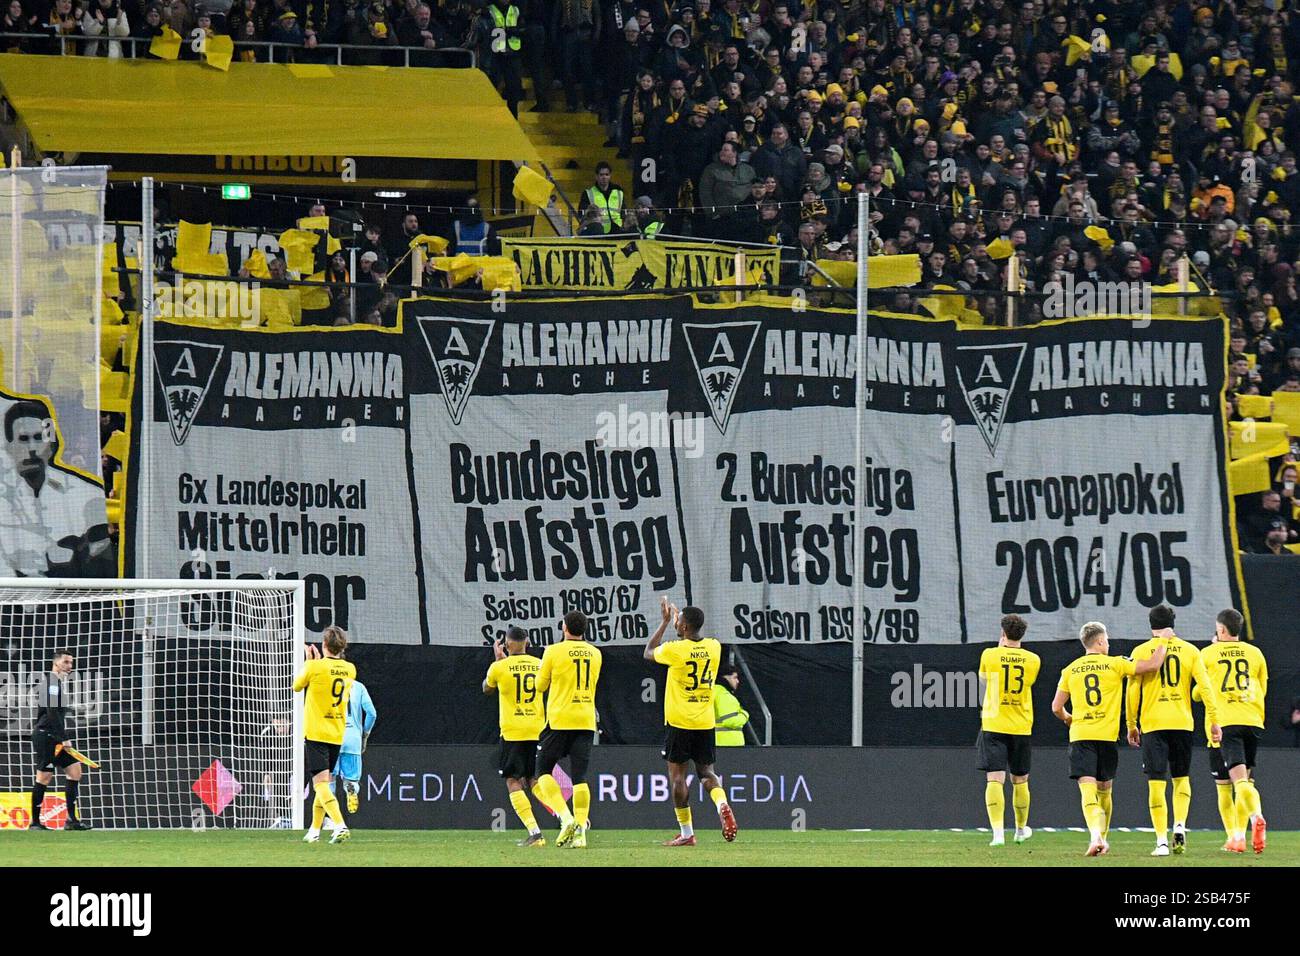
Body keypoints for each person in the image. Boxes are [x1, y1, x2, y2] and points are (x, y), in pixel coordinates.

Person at [1052, 621, 1165, 857]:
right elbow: (1153, 665)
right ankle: (1102, 837)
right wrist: (1164, 639)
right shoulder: (1116, 664)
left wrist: (1068, 718)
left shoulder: (1070, 669)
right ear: (1101, 641)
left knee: (1087, 791)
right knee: (1105, 791)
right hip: (1106, 737)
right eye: (1107, 640)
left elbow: (1056, 707)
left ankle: (1095, 836)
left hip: (1082, 736)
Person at [1124, 604, 1217, 857]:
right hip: (1183, 723)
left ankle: (1162, 842)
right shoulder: (1190, 651)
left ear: (1150, 623)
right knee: (1181, 778)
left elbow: (1132, 692)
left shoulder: (1142, 650)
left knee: (1156, 782)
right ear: (1173, 623)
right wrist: (1214, 720)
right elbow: (1206, 687)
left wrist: (1131, 724)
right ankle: (1180, 825)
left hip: (1154, 724)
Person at [645, 596, 738, 846]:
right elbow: (694, 640)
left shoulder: (676, 650)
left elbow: (649, 652)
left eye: (679, 622)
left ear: (684, 627)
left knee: (677, 778)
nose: (677, 624)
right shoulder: (714, 647)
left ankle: (687, 833)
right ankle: (722, 805)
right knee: (707, 772)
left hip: (679, 722)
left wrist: (664, 622)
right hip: (705, 722)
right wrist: (678, 623)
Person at [1, 399, 112, 578]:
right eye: (23, 439)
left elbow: (100, 558)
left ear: (51, 445)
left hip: (71, 598)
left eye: (39, 438)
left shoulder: (86, 493)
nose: (31, 448)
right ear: (9, 447)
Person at [1200, 608, 1268, 854]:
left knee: (1227, 785)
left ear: (1220, 630)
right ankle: (1237, 837)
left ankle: (1254, 818)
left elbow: (1199, 692)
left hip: (1224, 724)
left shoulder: (1207, 654)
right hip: (1252, 720)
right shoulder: (1256, 653)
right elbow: (1262, 688)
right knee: (1245, 780)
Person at [533, 610, 601, 848]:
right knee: (580, 777)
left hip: (559, 719)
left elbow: (540, 686)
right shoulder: (596, 653)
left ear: (564, 627)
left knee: (542, 771)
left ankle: (566, 818)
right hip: (585, 719)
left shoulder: (552, 651)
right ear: (585, 629)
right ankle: (581, 833)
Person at [976, 613, 1039, 847]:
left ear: (1003, 633)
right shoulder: (1033, 659)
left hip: (994, 723)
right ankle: (1021, 830)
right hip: (1021, 725)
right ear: (1022, 635)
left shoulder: (989, 655)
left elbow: (984, 680)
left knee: (994, 778)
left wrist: (1000, 648)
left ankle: (997, 835)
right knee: (1020, 780)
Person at [483, 625, 546, 847]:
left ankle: (535, 832)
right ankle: (566, 819)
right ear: (527, 643)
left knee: (512, 780)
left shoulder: (499, 667)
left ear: (507, 644)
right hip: (538, 729)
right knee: (535, 779)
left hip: (512, 732)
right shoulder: (540, 665)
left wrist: (500, 661)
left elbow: (487, 688)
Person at [294, 626, 356, 845]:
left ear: (324, 645)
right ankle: (314, 830)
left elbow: (297, 685)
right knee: (325, 782)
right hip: (337, 732)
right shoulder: (350, 669)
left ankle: (339, 825)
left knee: (320, 784)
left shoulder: (314, 667)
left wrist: (310, 662)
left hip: (317, 731)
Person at [29, 649, 93, 831]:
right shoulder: (51, 683)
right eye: (66, 662)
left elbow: (56, 712)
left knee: (75, 771)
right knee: (44, 777)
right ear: (56, 663)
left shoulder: (56, 684)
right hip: (46, 736)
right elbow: (51, 712)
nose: (70, 666)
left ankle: (71, 820)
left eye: (71, 663)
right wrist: (64, 738)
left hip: (54, 736)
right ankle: (35, 822)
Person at [331, 675, 376, 817]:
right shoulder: (358, 686)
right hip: (352, 739)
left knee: (328, 780)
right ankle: (351, 788)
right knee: (351, 779)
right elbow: (372, 713)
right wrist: (365, 734)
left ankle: (331, 818)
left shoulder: (327, 683)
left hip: (331, 736)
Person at [578, 161, 626, 234]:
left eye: (607, 174)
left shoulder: (619, 193)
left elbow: (624, 213)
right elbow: (582, 215)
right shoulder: (588, 193)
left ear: (610, 176)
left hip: (617, 231)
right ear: (596, 176)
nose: (604, 177)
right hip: (597, 231)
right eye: (601, 175)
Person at [713, 663, 748, 747]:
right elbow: (730, 720)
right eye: (735, 677)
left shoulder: (716, 692)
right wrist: (744, 714)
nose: (737, 681)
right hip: (728, 744)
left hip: (721, 743)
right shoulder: (723, 695)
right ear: (725, 677)